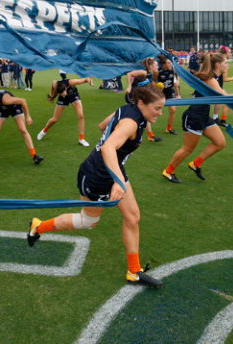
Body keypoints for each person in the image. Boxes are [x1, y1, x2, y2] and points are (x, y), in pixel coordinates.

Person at [27, 85, 166, 288]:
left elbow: (103, 126)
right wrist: (117, 180)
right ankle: (38, 227)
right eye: (157, 108)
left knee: (132, 216)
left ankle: (134, 271)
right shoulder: (131, 123)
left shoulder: (128, 109)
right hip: (96, 176)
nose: (160, 113)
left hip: (113, 169)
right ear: (141, 103)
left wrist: (116, 170)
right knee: (88, 221)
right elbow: (108, 147)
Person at [162, 52, 233, 183]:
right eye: (225, 63)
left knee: (220, 143)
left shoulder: (214, 78)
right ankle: (168, 171)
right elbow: (225, 98)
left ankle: (195, 164)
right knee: (187, 149)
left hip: (204, 115)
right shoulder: (211, 80)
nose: (227, 65)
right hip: (194, 117)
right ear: (218, 65)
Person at [0, 88, 44, 164]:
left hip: (14, 108)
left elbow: (23, 101)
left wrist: (27, 116)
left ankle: (34, 156)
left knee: (23, 130)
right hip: (2, 110)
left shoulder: (5, 99)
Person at [37, 74, 94, 146]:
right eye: (60, 94)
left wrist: (89, 81)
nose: (63, 95)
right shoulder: (57, 85)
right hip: (63, 100)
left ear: (65, 89)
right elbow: (53, 83)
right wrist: (51, 96)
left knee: (81, 116)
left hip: (73, 95)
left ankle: (81, 139)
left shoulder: (71, 82)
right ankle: (44, 131)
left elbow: (85, 80)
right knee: (55, 119)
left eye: (63, 93)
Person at [125, 57, 162, 142]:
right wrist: (129, 87)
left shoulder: (151, 75)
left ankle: (150, 136)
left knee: (145, 114)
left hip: (139, 97)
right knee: (133, 116)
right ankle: (128, 134)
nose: (158, 67)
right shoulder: (144, 72)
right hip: (132, 96)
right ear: (150, 66)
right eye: (156, 65)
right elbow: (129, 74)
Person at [157, 54, 181, 135]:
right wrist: (158, 87)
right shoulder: (158, 72)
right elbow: (153, 83)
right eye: (168, 63)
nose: (170, 64)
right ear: (163, 64)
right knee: (154, 110)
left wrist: (178, 94)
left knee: (172, 110)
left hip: (170, 92)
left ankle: (169, 128)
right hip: (160, 93)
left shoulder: (172, 70)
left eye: (170, 62)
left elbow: (176, 81)